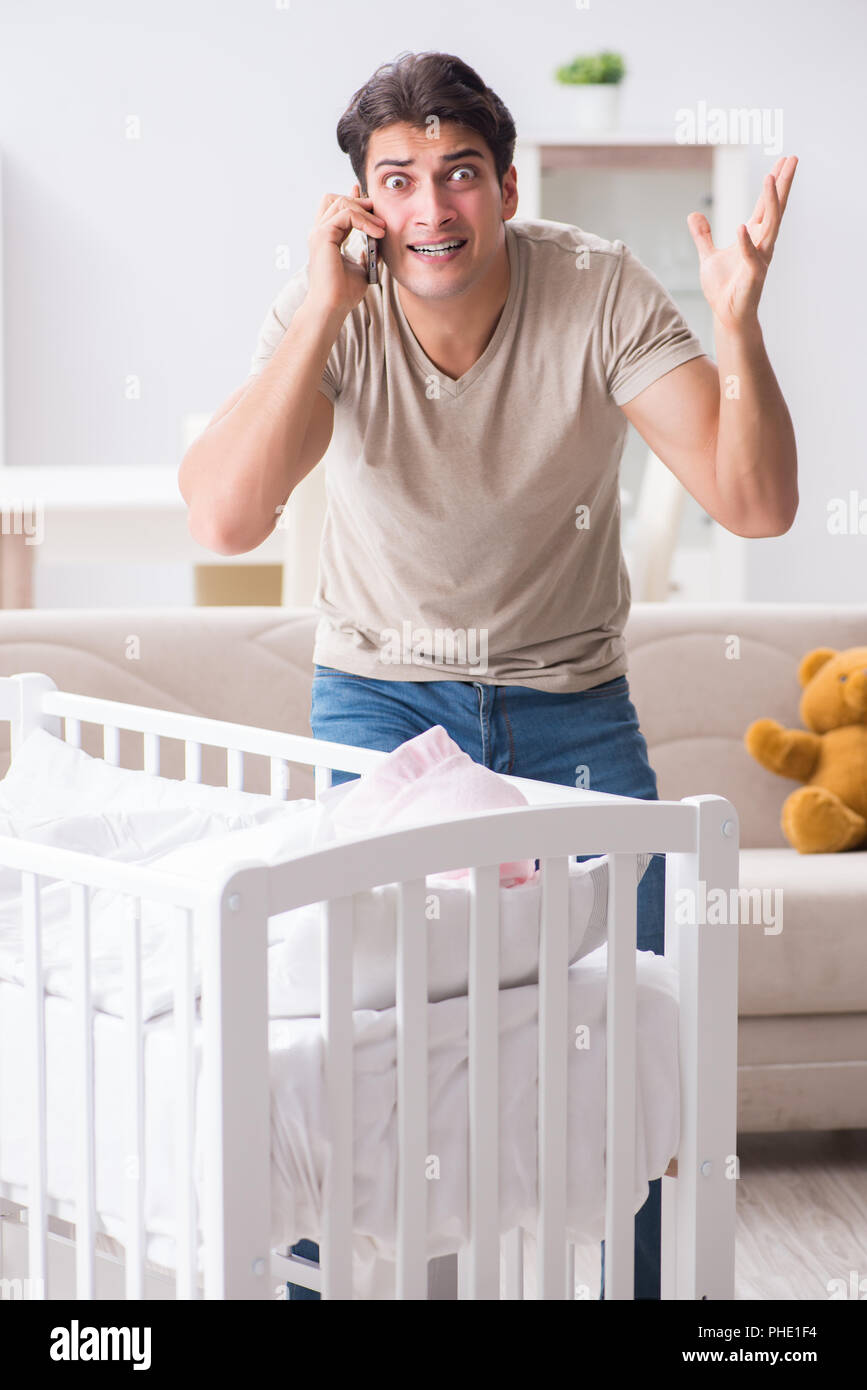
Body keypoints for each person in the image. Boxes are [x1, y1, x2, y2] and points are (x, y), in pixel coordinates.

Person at [179, 50, 798, 1300]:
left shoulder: (597, 288)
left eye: (458, 173)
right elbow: (224, 519)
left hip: (572, 709)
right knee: (351, 1043)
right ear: (360, 205)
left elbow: (760, 502)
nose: (431, 207)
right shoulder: (333, 316)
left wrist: (739, 331)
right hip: (380, 706)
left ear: (507, 187)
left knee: (635, 1037)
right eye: (396, 179)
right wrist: (319, 313)